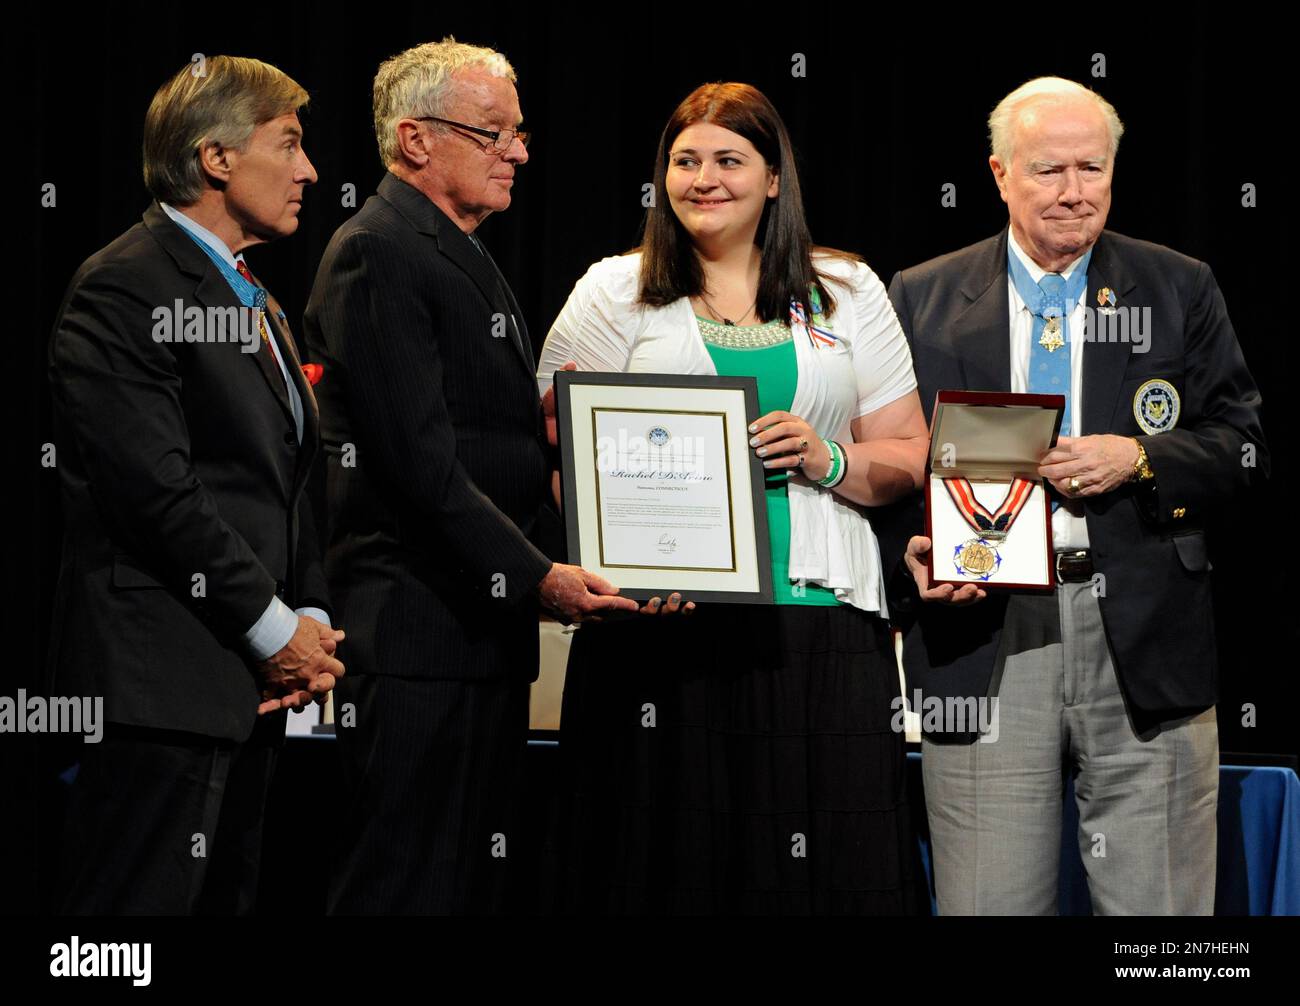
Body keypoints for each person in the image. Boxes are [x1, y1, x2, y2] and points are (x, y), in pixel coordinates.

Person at [536, 82, 930, 914]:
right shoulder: (612, 290)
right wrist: (626, 565)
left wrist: (828, 457)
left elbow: (908, 452)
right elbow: (565, 458)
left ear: (775, 177)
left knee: (824, 867)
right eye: (685, 161)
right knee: (663, 862)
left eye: (728, 160)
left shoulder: (848, 290)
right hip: (663, 624)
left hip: (821, 622)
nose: (703, 179)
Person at [885, 77, 1266, 915]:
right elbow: (891, 465)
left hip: (1143, 628)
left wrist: (1139, 457)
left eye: (1091, 168)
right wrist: (907, 554)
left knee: (1160, 919)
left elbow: (1243, 451)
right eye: (1048, 169)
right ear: (998, 174)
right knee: (987, 902)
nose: (1072, 192)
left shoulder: (1179, 286)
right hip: (982, 631)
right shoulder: (922, 296)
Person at [303, 38, 637, 915]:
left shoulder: (455, 248)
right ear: (416, 140)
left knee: (459, 889)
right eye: (494, 133)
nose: (520, 152)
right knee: (400, 887)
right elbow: (420, 468)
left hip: (473, 642)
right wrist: (544, 577)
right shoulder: (376, 251)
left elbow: (485, 447)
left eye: (519, 132)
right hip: (415, 641)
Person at [47, 56, 343, 914]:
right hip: (160, 691)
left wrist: (310, 617)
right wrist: (273, 625)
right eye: (288, 144)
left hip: (250, 687)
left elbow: (288, 484)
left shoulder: (259, 299)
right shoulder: (125, 283)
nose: (310, 170)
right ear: (216, 158)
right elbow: (155, 493)